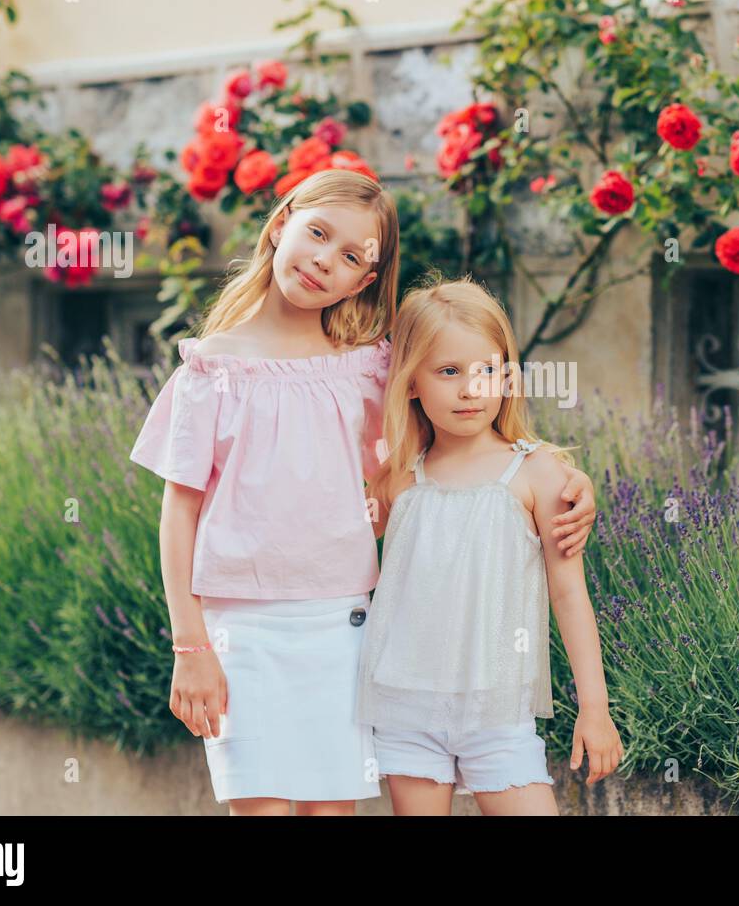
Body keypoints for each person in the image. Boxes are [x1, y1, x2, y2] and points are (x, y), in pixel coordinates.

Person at [129, 169, 597, 815]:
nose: (326, 260)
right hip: (242, 635)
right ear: (280, 224)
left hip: (342, 631)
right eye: (317, 233)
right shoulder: (210, 372)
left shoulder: (365, 372)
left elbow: (452, 448)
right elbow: (177, 516)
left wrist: (571, 484)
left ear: (366, 280)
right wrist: (190, 647)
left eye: (352, 256)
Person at [358, 275, 622, 815]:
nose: (470, 388)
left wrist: (594, 706)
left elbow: (569, 595)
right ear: (411, 382)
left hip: (498, 708)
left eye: (486, 370)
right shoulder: (398, 478)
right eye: (448, 372)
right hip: (406, 702)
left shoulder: (539, 475)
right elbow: (341, 558)